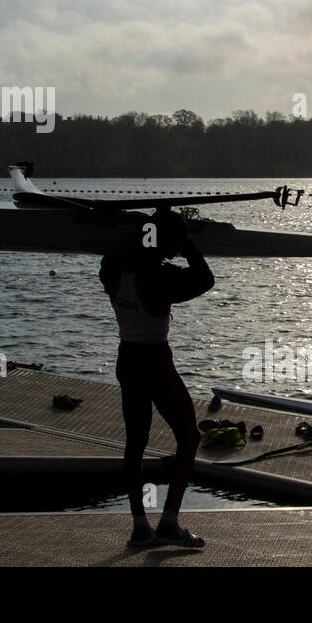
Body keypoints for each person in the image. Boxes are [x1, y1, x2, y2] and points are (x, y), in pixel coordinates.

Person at [99, 209, 213, 549]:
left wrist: (142, 228)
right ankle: (169, 522)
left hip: (127, 360)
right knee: (189, 439)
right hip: (156, 363)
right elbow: (205, 280)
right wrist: (190, 246)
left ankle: (139, 527)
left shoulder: (112, 270)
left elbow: (113, 255)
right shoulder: (162, 279)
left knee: (135, 444)